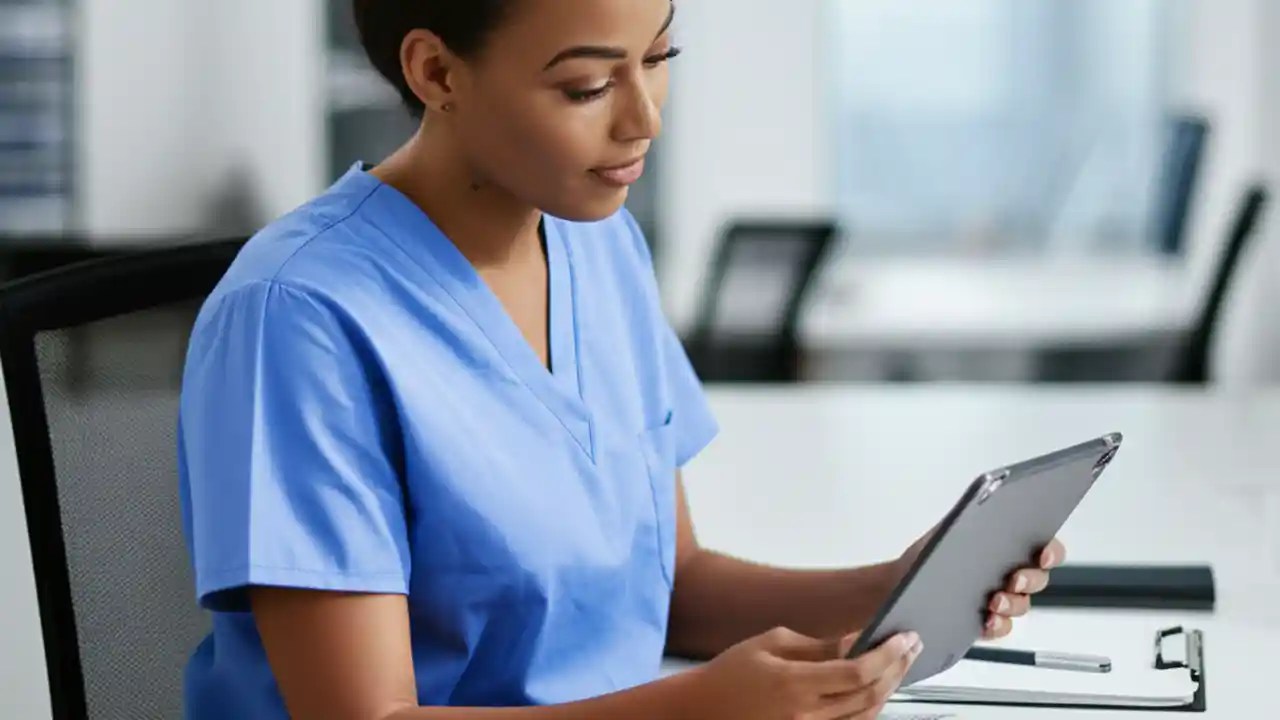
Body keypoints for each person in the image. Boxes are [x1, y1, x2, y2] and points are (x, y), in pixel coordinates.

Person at [177, 1, 1065, 718]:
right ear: (437, 72)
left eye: (661, 57)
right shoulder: (299, 317)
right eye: (588, 86)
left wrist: (892, 589)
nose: (643, 119)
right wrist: (697, 712)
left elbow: (670, 592)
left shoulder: (599, 245)